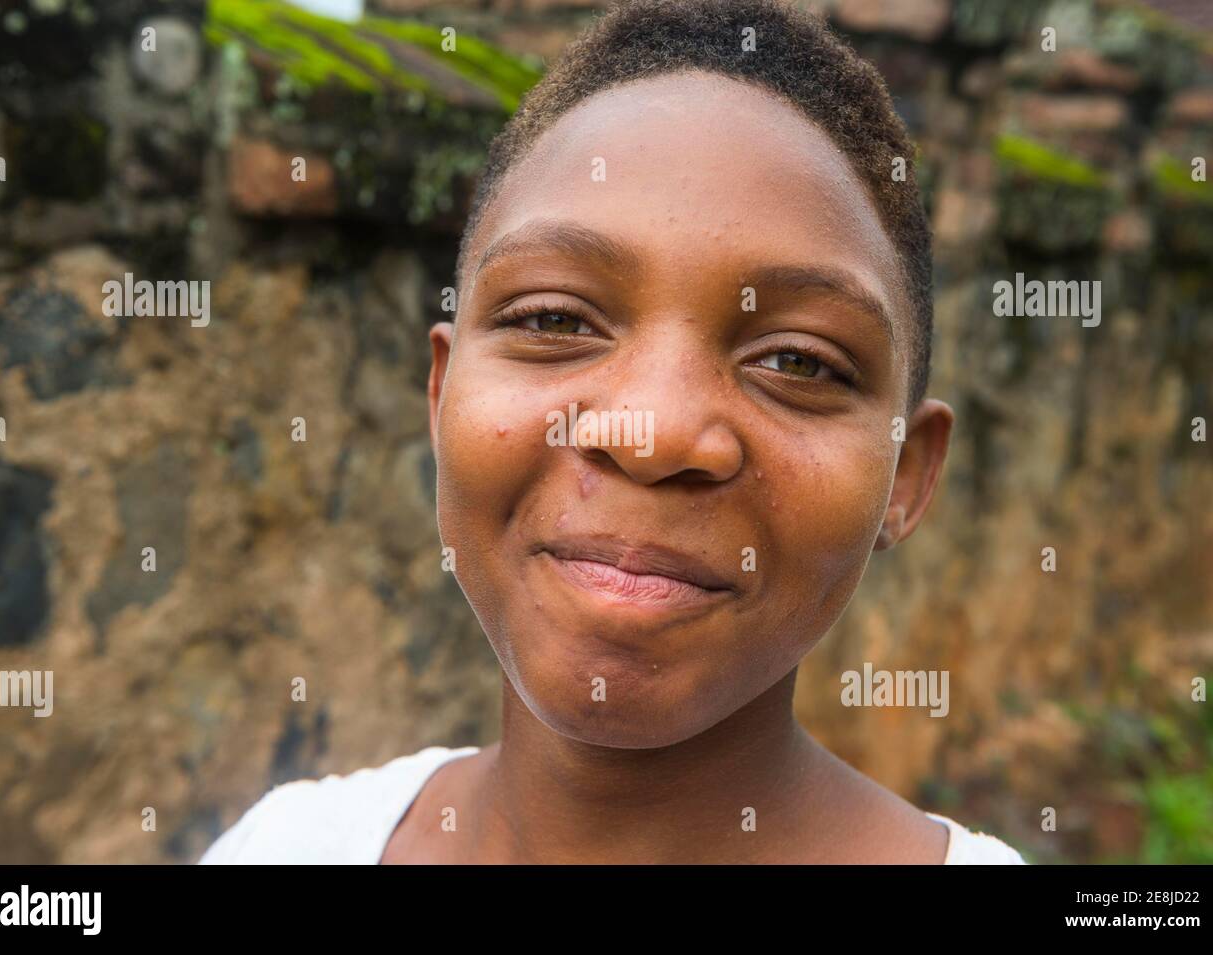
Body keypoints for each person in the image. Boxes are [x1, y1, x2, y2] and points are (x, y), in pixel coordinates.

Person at [201, 0, 1026, 865]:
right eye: (555, 317)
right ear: (443, 392)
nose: (653, 432)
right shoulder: (285, 847)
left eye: (799, 363)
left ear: (905, 474)